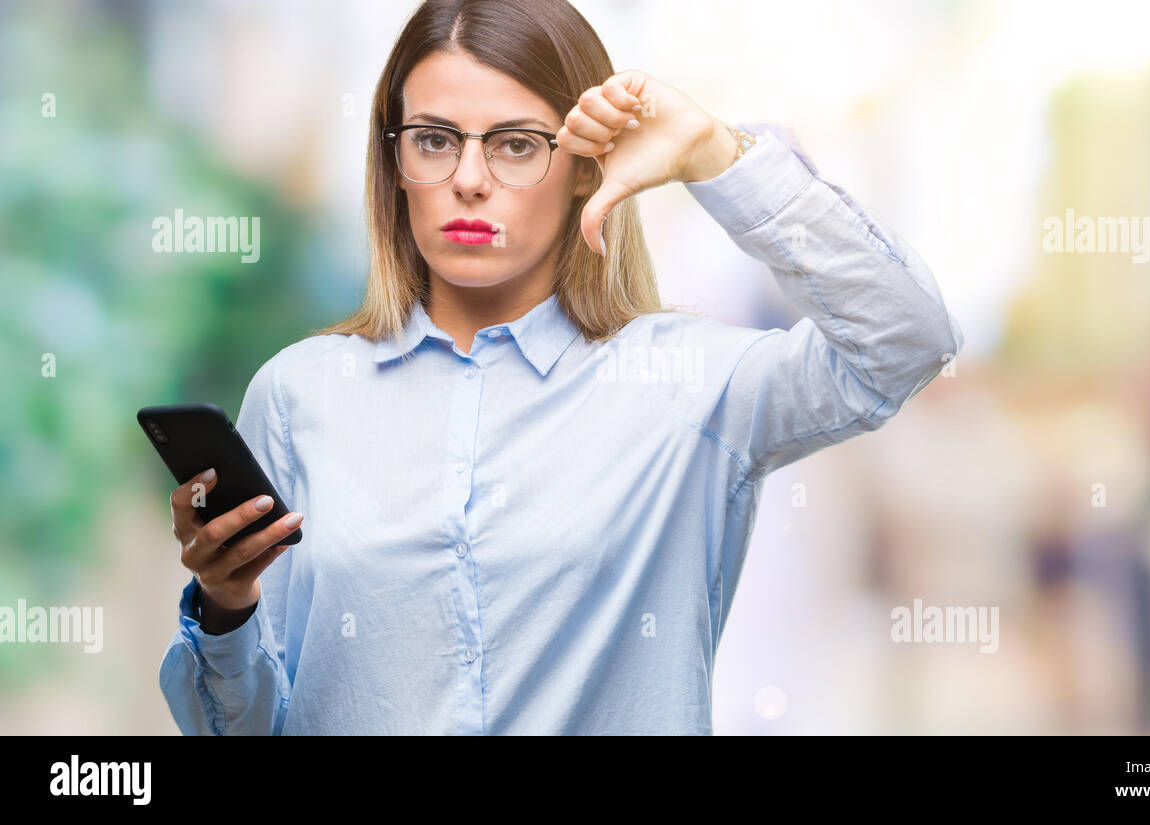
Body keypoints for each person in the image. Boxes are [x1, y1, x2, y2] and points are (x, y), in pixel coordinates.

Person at [158, 0, 963, 735]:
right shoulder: (300, 394)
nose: (468, 180)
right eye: (434, 140)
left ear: (586, 164)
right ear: (393, 160)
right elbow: (241, 730)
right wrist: (227, 608)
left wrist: (716, 153)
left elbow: (906, 338)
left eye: (515, 145)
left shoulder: (689, 384)